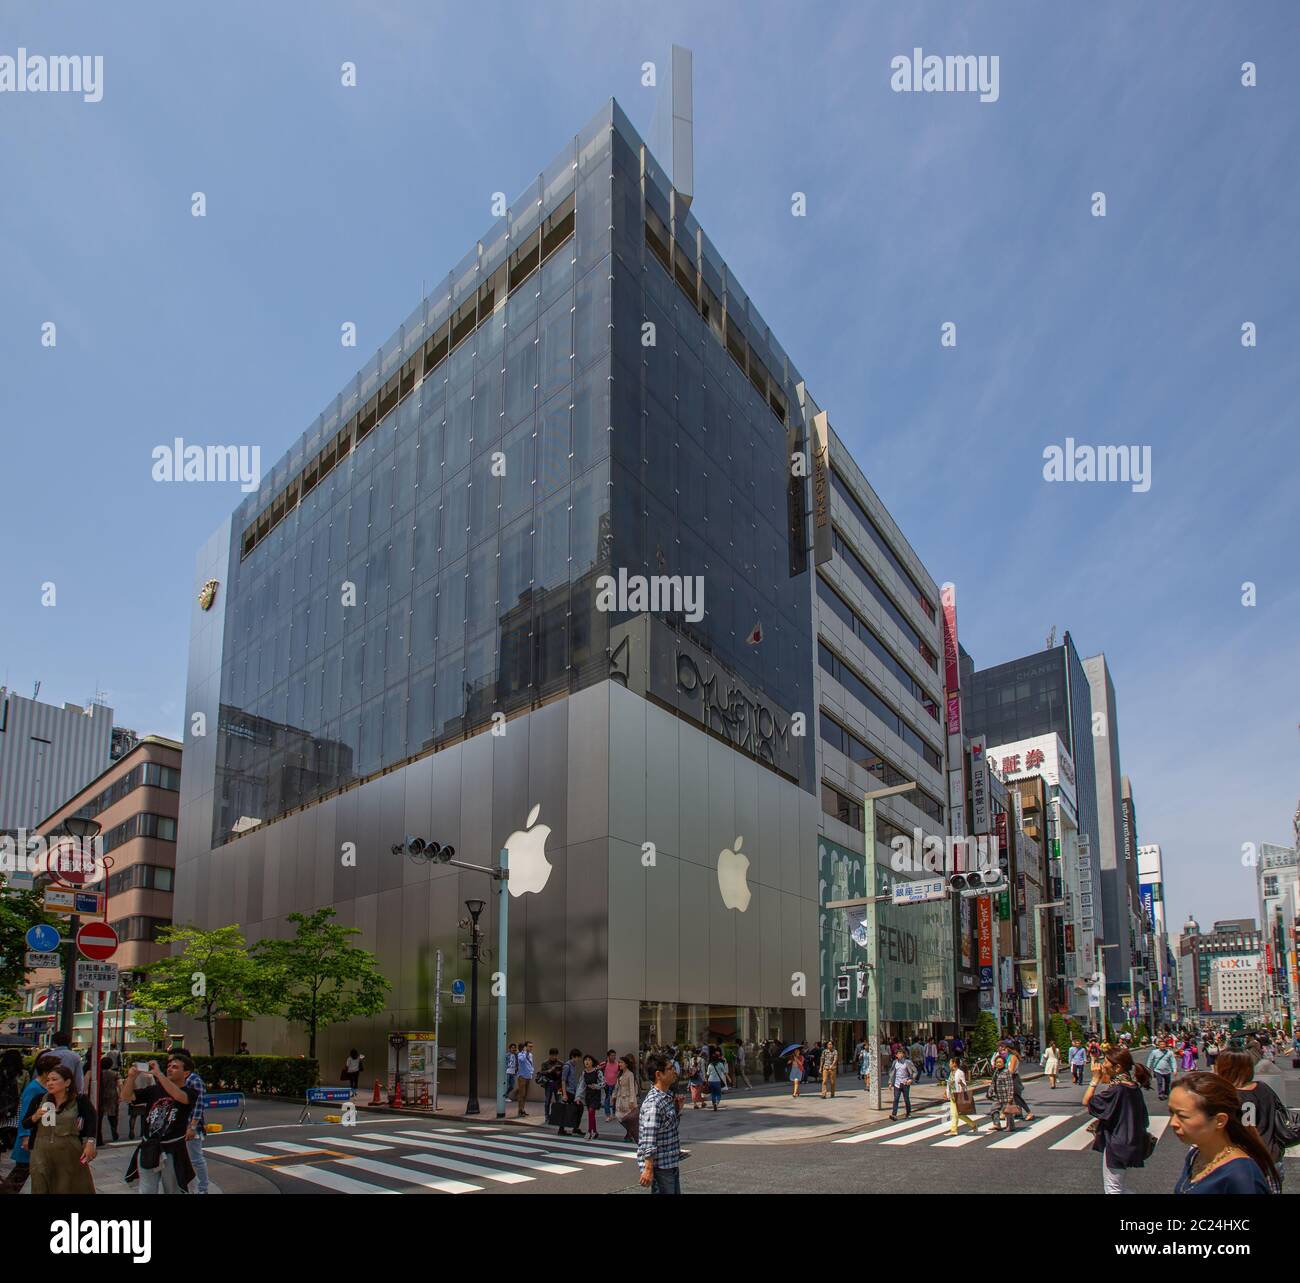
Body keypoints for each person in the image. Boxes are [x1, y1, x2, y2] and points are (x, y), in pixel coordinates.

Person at [1169, 1072, 1276, 1194]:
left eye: (1182, 1116)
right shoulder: (1196, 1154)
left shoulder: (1242, 1176)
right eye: (1171, 1112)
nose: (1173, 1123)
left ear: (1220, 1120)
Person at [1214, 1050, 1297, 1191]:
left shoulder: (1229, 1096)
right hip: (1271, 1157)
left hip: (1243, 1162)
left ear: (1226, 1069)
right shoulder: (1263, 1088)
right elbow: (1280, 1112)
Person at [122, 1053, 199, 1194]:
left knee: (172, 1189)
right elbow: (127, 1096)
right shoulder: (155, 1089)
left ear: (186, 1073)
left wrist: (158, 1073)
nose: (170, 1069)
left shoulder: (190, 1092)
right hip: (149, 1146)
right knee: (146, 1190)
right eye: (169, 1066)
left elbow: (178, 1096)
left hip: (172, 1148)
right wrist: (131, 1077)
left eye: (175, 1067)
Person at [20, 1061, 97, 1194]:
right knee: (40, 1185)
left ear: (67, 1082)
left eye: (54, 1080)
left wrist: (90, 1142)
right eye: (48, 1080)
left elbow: (92, 1120)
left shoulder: (79, 1100)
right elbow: (25, 1124)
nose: (50, 1083)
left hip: (69, 1150)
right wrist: (35, 1116)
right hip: (41, 1150)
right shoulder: (39, 1099)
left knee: (68, 1186)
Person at [1084, 1047, 1151, 1194]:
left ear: (1117, 1067)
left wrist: (1095, 1079)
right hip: (1130, 1139)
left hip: (1117, 1142)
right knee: (1118, 1188)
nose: (1103, 1065)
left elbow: (1087, 1101)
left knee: (1113, 1189)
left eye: (1106, 1062)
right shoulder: (1132, 1086)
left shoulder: (1117, 1090)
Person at [637, 1053, 682, 1193]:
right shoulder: (654, 1103)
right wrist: (648, 1169)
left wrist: (678, 1110)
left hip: (669, 1163)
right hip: (661, 1167)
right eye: (670, 1068)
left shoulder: (666, 1097)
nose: (674, 1071)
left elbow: (666, 1128)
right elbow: (649, 1139)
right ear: (658, 1074)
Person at [183, 1058, 209, 1194]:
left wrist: (192, 1127)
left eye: (174, 1066)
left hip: (191, 1126)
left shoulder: (194, 1080)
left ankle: (202, 1189)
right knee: (186, 1158)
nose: (169, 1068)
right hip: (182, 1125)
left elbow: (199, 1106)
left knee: (196, 1159)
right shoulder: (181, 1081)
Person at [945, 1058, 980, 1136]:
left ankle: (954, 1130)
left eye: (950, 1063)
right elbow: (949, 1084)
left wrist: (961, 1083)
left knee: (955, 1114)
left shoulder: (960, 1072)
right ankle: (973, 1125)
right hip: (952, 1095)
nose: (949, 1064)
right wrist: (946, 1092)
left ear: (954, 1063)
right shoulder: (951, 1072)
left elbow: (964, 1085)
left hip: (958, 1095)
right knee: (958, 1114)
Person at [1002, 1041, 1036, 1121]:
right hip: (1009, 1078)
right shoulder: (1008, 1057)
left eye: (1004, 1049)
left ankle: (1029, 1113)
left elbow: (1011, 1070)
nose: (1002, 1051)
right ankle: (1008, 1113)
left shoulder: (1013, 1057)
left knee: (1016, 1097)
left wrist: (1004, 1075)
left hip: (1014, 1078)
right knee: (1009, 1097)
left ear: (1008, 1049)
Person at [0, 1050, 23, 1156]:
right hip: (17, 1106)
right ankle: (9, 1144)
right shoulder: (23, 1073)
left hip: (3, 1107)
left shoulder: (1, 1072)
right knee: (13, 1127)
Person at [986, 1056, 1017, 1132]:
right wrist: (989, 1092)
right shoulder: (996, 1071)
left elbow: (1010, 1084)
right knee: (993, 1109)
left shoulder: (1006, 1072)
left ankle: (1011, 1126)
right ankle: (997, 1124)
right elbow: (993, 1083)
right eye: (997, 1062)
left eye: (1000, 1062)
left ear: (1004, 1063)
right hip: (997, 1096)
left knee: (1007, 1112)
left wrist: (1010, 1096)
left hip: (1005, 1096)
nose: (998, 1064)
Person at [557, 1049, 583, 1136]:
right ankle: (571, 1129)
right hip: (568, 1092)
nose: (578, 1059)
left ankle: (565, 1129)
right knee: (577, 1107)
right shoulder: (567, 1066)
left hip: (573, 1091)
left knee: (572, 1109)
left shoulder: (573, 1065)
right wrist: (564, 1094)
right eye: (577, 1057)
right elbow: (563, 1080)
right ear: (572, 1056)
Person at [96, 1052, 121, 1145]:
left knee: (100, 1116)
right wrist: (121, 1095)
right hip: (112, 1095)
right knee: (113, 1116)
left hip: (101, 1095)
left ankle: (100, 1136)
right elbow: (120, 1084)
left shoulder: (99, 1074)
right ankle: (114, 1132)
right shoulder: (115, 1074)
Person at [614, 1055, 639, 1139]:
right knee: (618, 1116)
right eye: (619, 1062)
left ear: (626, 1064)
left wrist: (632, 1101)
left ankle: (629, 1133)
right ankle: (630, 1131)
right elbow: (617, 1086)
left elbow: (632, 1088)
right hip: (620, 1099)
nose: (619, 1064)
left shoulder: (630, 1074)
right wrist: (614, 1095)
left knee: (628, 1117)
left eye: (621, 1062)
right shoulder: (620, 1073)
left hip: (627, 1099)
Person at [889, 1048, 917, 1120]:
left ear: (903, 1054)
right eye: (898, 1053)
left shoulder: (907, 1062)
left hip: (905, 1083)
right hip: (897, 1083)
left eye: (901, 1053)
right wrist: (890, 1083)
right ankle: (894, 1115)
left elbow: (915, 1071)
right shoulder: (895, 1062)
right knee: (896, 1099)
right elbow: (892, 1073)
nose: (900, 1055)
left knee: (906, 1099)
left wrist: (911, 1079)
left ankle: (908, 1113)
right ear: (896, 1055)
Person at [580, 1054, 603, 1139]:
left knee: (591, 1111)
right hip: (588, 1095)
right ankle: (595, 1132)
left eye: (589, 1060)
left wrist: (596, 1086)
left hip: (596, 1095)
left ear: (592, 1062)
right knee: (591, 1114)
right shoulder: (584, 1072)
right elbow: (581, 1085)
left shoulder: (597, 1071)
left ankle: (589, 1131)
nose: (587, 1061)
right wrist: (578, 1096)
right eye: (585, 1060)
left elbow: (604, 1083)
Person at [540, 1047, 564, 1122]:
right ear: (550, 1055)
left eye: (555, 1055)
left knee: (559, 1101)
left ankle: (558, 1116)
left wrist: (559, 1073)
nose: (554, 1057)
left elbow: (564, 1075)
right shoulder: (545, 1063)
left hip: (558, 1084)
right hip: (548, 1084)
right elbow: (541, 1073)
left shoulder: (561, 1063)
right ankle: (547, 1116)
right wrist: (550, 1070)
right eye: (552, 1055)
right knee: (547, 1101)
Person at [515, 1040, 535, 1116]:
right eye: (529, 1046)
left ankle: (522, 1109)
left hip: (528, 1077)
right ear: (525, 1047)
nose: (531, 1048)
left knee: (525, 1095)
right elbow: (522, 1060)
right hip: (522, 1077)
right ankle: (520, 1110)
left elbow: (530, 1064)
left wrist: (531, 1072)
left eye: (532, 1046)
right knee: (522, 1094)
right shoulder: (520, 1054)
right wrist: (525, 1052)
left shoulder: (531, 1055)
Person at [599, 1048, 619, 1120]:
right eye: (612, 1055)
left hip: (615, 1085)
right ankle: (608, 1115)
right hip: (607, 1085)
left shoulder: (618, 1064)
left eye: (614, 1055)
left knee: (615, 1099)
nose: (614, 1057)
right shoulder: (604, 1064)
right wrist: (602, 1081)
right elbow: (597, 1070)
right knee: (607, 1099)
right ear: (608, 1056)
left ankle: (614, 1113)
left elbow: (619, 1073)